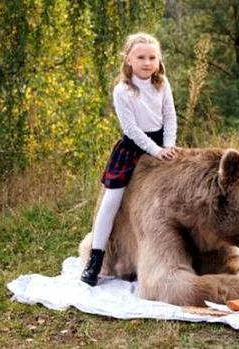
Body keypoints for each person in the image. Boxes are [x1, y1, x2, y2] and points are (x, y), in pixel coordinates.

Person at [81, 32, 177, 286]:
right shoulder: (122, 90)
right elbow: (132, 130)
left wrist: (167, 146)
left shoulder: (162, 84)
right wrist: (154, 150)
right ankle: (96, 257)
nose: (147, 62)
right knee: (111, 201)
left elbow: (170, 116)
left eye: (152, 57)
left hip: (163, 146)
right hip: (133, 148)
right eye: (141, 57)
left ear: (158, 60)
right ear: (129, 60)